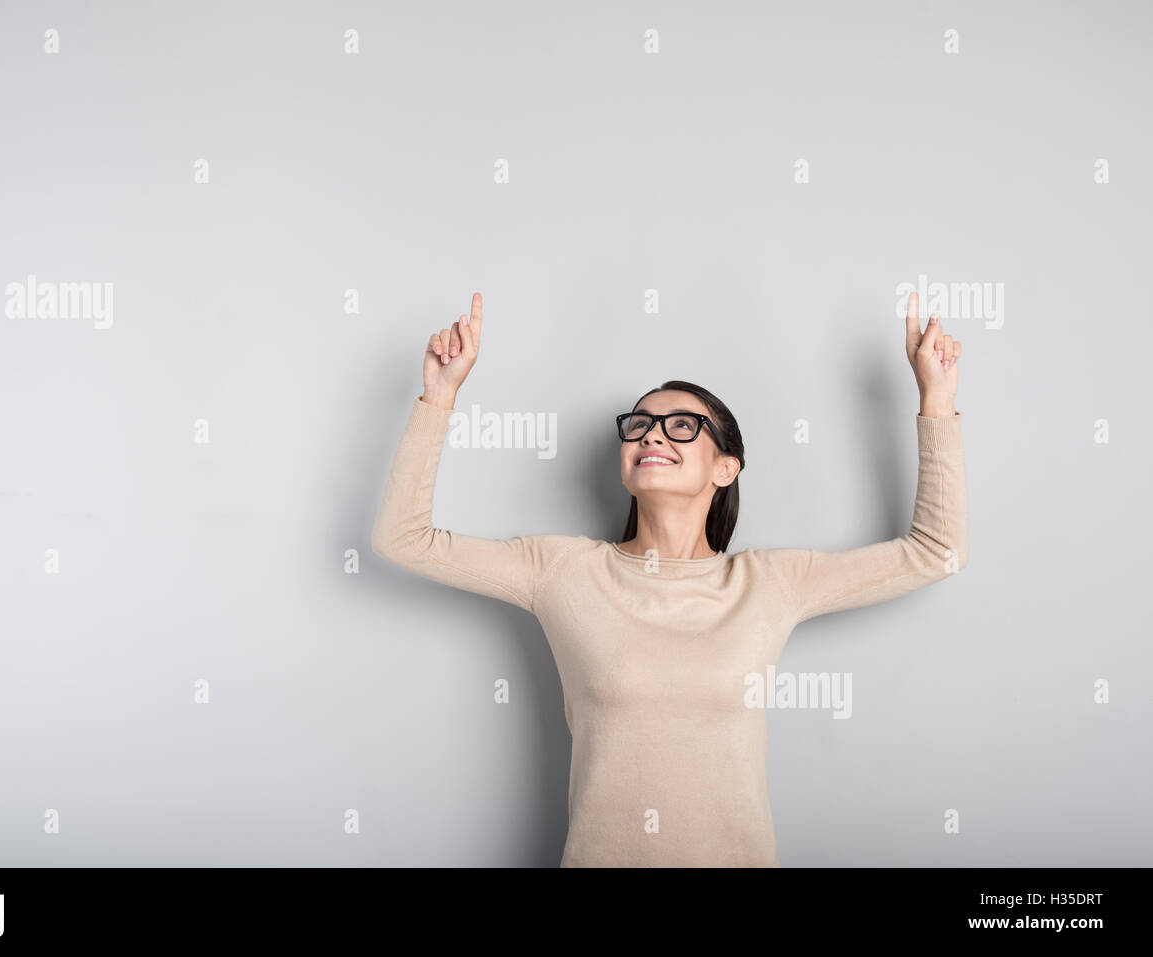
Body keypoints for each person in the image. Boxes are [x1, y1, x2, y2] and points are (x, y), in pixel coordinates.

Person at [371, 292, 967, 866]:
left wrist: (935, 400)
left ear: (726, 467)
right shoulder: (562, 571)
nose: (652, 434)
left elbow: (938, 550)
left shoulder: (771, 583)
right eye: (639, 425)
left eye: (684, 426)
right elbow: (403, 538)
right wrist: (439, 397)